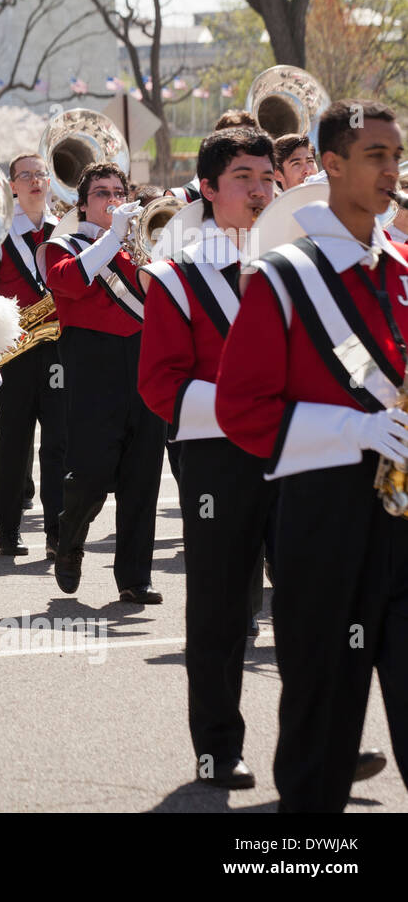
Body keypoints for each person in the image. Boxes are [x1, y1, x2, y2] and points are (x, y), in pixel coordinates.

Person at [216, 99, 408, 811]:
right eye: (377, 156)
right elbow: (240, 409)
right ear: (330, 166)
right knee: (321, 737)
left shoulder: (403, 268)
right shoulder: (284, 277)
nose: (393, 169)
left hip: (404, 522)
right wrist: (351, 430)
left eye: (398, 156)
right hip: (326, 525)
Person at [138, 127, 277, 788]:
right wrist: (247, 407)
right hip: (220, 458)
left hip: (303, 452)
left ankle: (321, 734)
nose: (259, 190)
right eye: (244, 178)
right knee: (221, 607)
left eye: (266, 177)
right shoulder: (176, 275)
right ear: (211, 189)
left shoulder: (297, 265)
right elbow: (159, 384)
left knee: (320, 602)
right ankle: (218, 746)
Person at [41, 162, 165, 603]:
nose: (112, 199)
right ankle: (70, 541)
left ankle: (135, 576)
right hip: (93, 370)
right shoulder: (61, 246)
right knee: (90, 474)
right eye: (101, 193)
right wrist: (112, 238)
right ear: (83, 203)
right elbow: (69, 283)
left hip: (145, 367)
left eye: (118, 191)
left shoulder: (139, 248)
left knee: (142, 475)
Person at [0, 152, 65, 557]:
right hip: (17, 350)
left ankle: (59, 531)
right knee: (14, 440)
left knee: (59, 443)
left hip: (59, 348)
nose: (36, 181)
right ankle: (8, 527)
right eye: (26, 176)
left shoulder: (65, 229)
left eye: (41, 174)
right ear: (12, 186)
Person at [167, 111, 262, 203]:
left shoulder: (263, 195)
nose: (242, 152)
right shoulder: (182, 198)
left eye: (250, 145)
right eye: (234, 145)